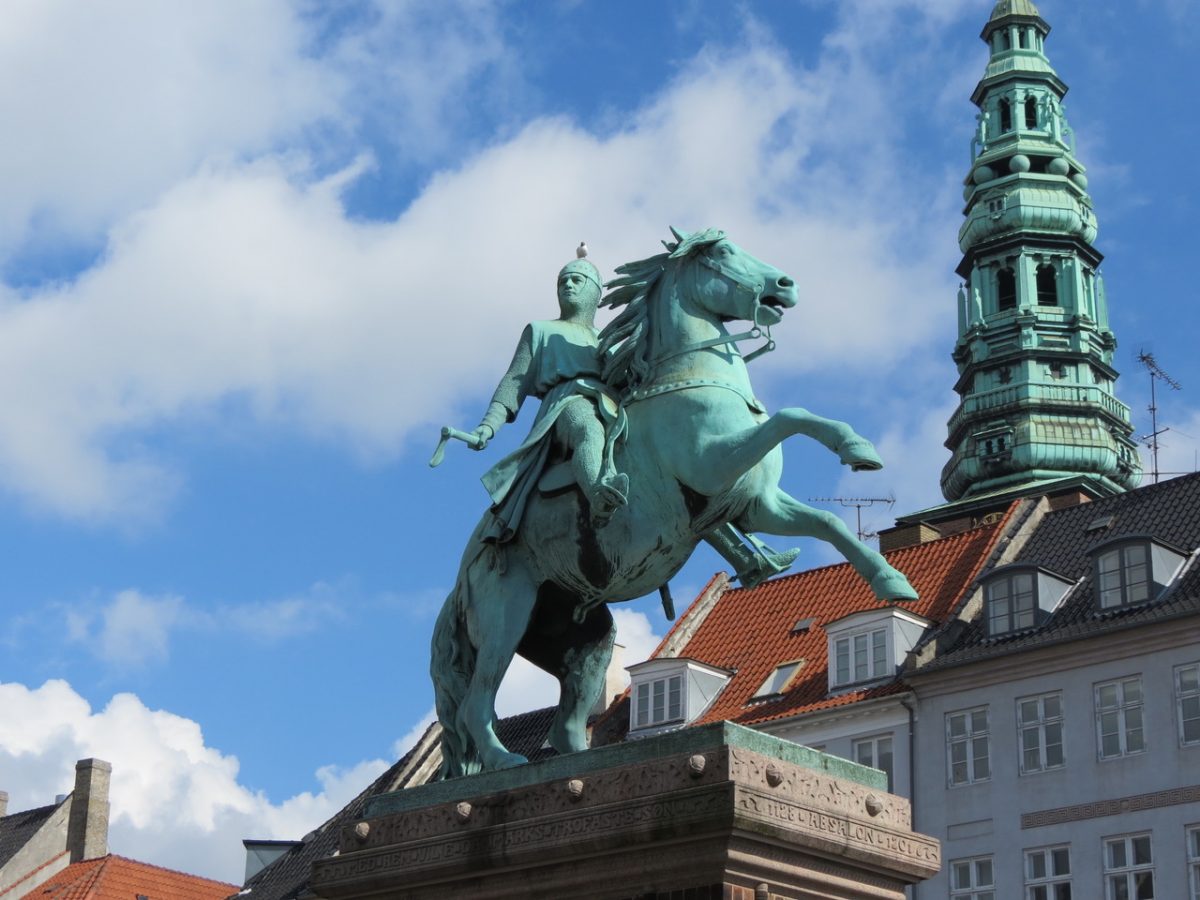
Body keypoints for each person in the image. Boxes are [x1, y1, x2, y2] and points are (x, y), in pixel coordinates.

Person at [471, 245, 628, 543]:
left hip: (611, 404)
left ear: (595, 292)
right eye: (562, 281)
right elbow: (513, 383)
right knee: (588, 428)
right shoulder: (540, 330)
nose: (567, 285)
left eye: (576, 280)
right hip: (566, 402)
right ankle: (598, 495)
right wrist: (487, 426)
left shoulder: (609, 339)